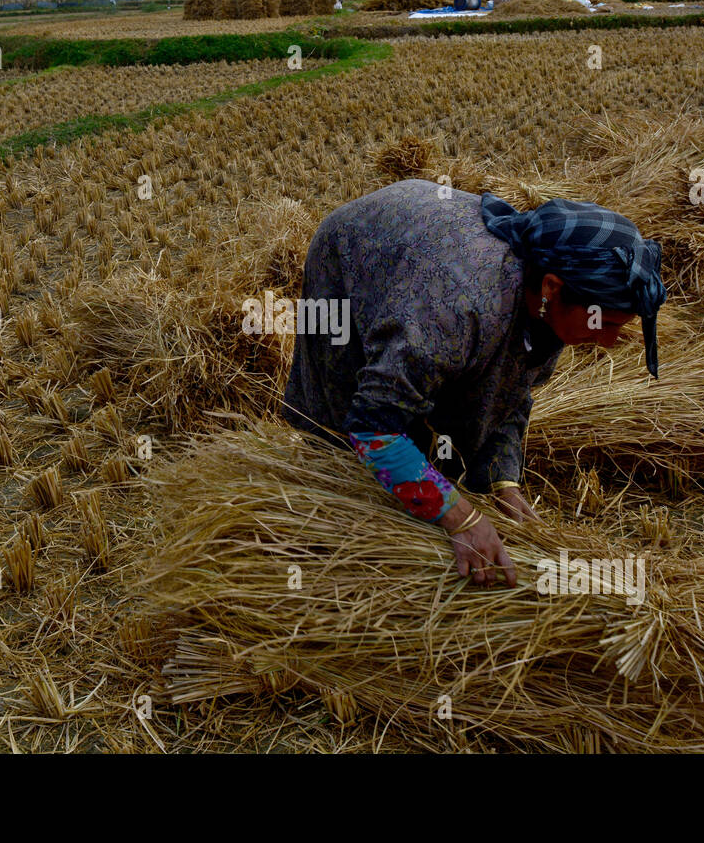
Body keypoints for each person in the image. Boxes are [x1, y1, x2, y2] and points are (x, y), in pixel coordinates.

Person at [283, 179, 667, 588]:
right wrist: (460, 517)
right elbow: (372, 427)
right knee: (346, 428)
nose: (607, 340)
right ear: (552, 288)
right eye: (603, 323)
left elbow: (511, 392)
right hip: (357, 250)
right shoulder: (456, 309)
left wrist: (502, 481)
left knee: (438, 415)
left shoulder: (546, 302)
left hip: (434, 252)